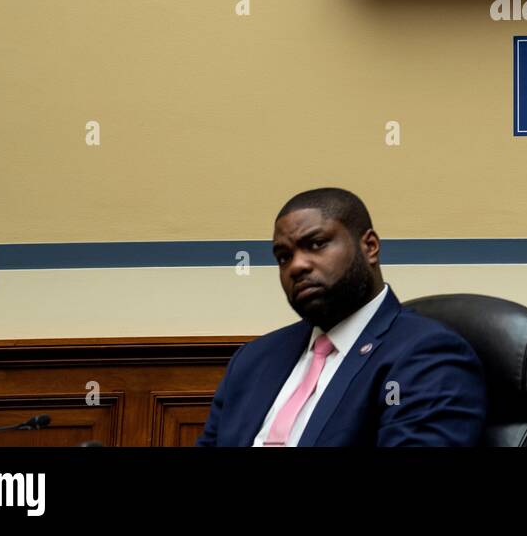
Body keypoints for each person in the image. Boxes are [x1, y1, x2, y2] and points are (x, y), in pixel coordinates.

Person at [197, 187, 487, 447]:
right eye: (283, 257)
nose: (296, 266)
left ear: (370, 247)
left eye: (316, 244)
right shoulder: (253, 360)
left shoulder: (427, 355)